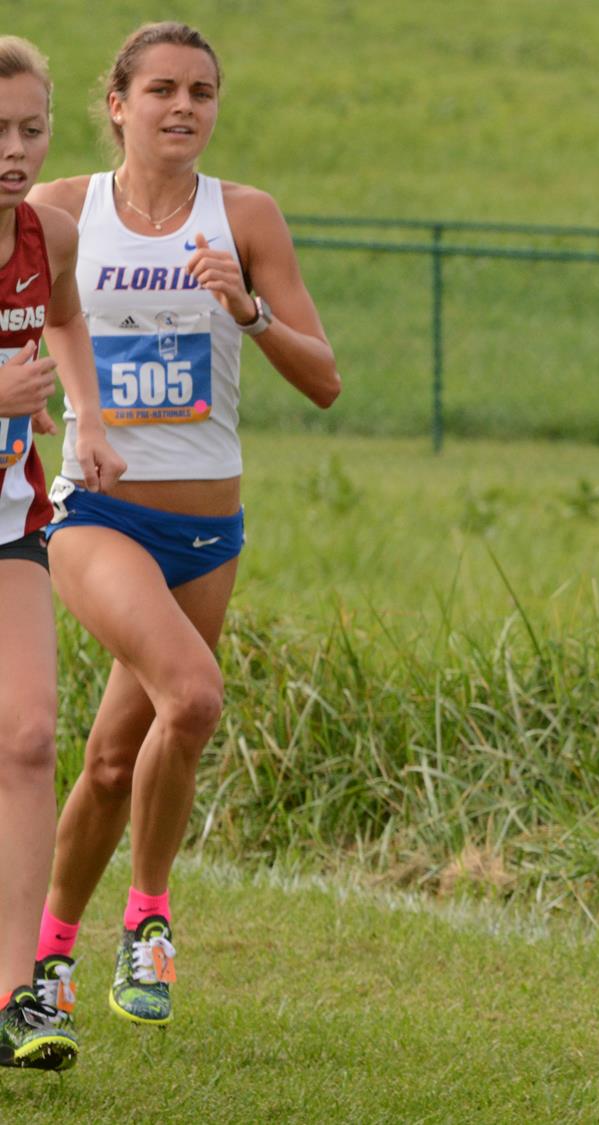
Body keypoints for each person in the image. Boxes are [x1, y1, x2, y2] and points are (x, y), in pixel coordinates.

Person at [27, 20, 339, 1029]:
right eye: (160, 89)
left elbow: (325, 380)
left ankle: (50, 954)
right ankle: (150, 921)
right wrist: (34, 403)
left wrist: (246, 310)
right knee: (194, 698)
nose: (183, 108)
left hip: (209, 531)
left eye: (201, 92)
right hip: (94, 512)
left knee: (119, 757)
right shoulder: (57, 209)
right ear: (117, 105)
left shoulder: (244, 216)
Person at [0, 34, 122, 1073]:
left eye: (30, 128)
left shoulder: (50, 233)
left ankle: (14, 993)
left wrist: (85, 415)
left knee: (31, 739)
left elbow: (66, 319)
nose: (13, 149)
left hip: (11, 523)